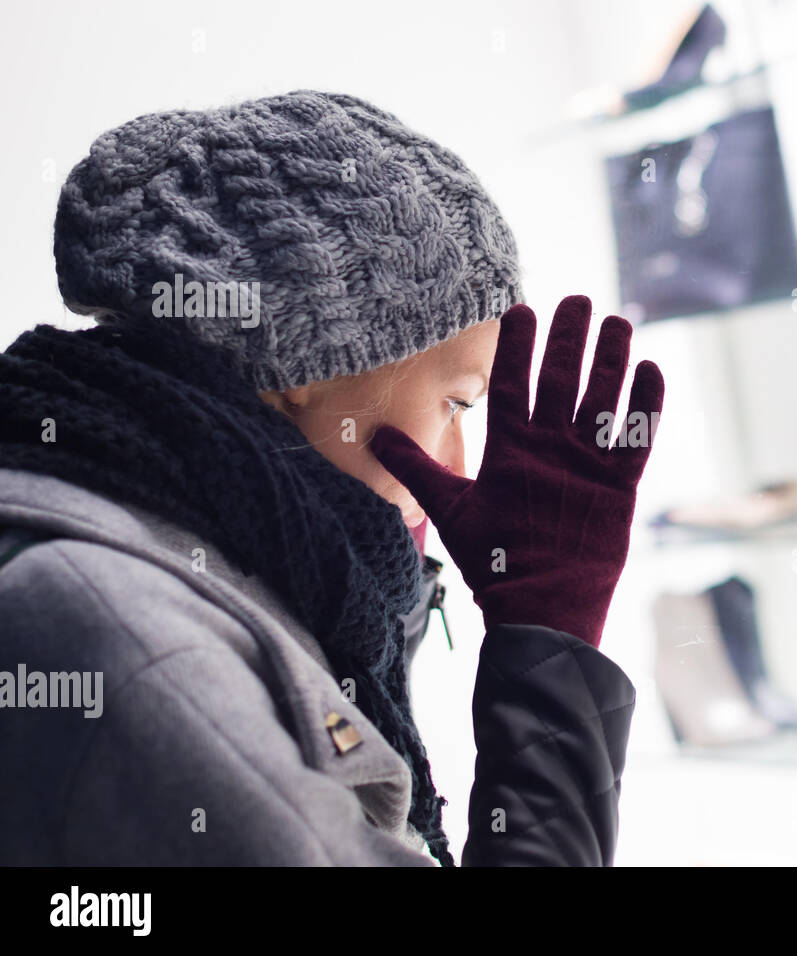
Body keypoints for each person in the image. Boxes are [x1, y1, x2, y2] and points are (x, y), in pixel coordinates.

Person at [0, 90, 663, 866]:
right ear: (299, 366)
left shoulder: (247, 558)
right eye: (456, 403)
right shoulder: (133, 635)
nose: (459, 465)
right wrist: (552, 636)